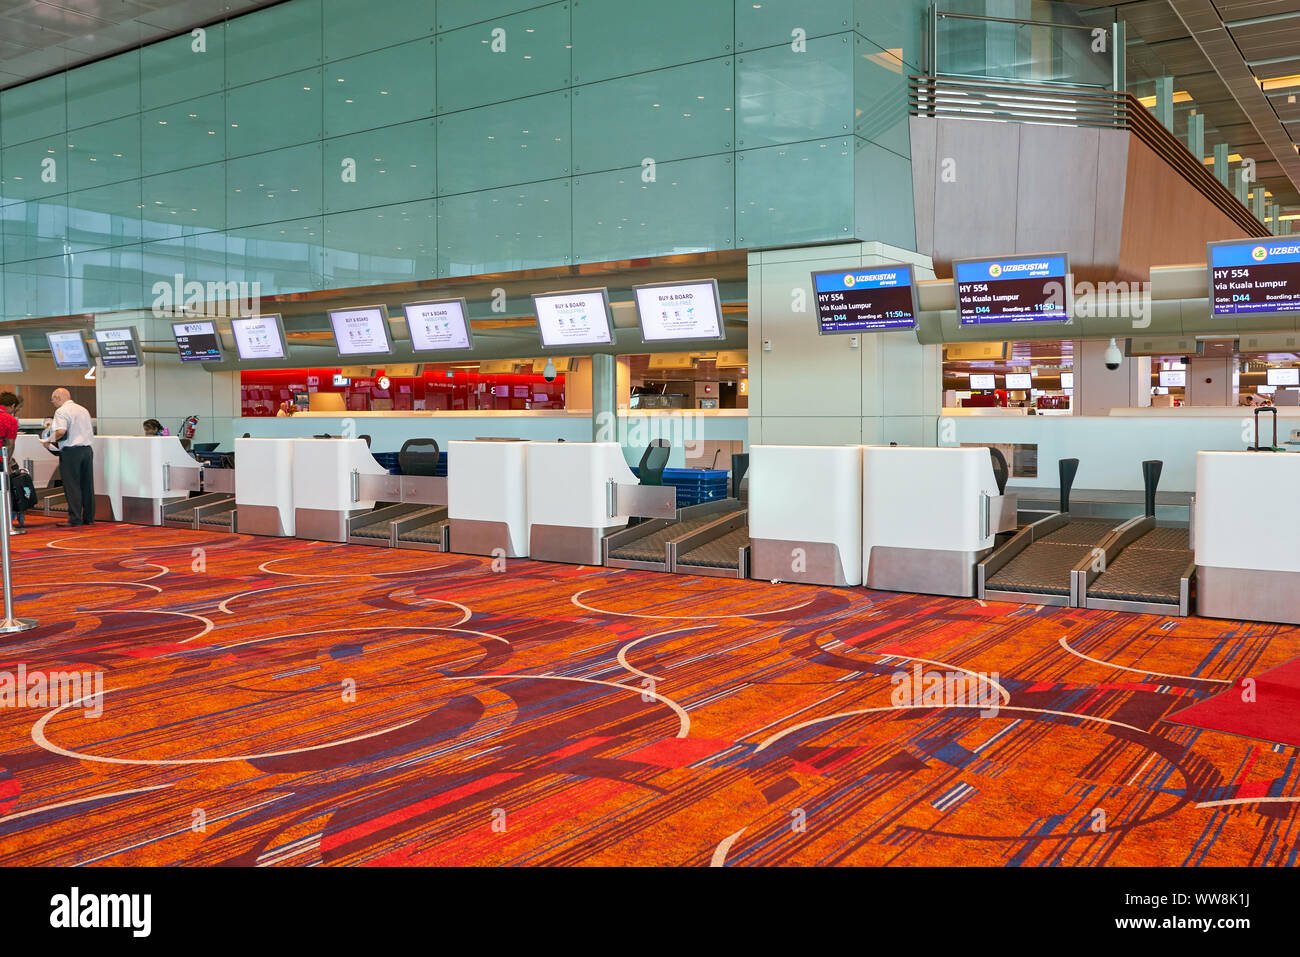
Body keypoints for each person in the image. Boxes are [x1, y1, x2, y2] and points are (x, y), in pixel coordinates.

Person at [46, 388, 95, 528]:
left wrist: (48, 441)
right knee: (87, 485)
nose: (52, 402)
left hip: (71, 452)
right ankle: (89, 518)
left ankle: (75, 519)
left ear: (58, 397)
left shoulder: (61, 411)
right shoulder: (83, 409)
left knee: (72, 485)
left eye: (52, 399)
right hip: (87, 450)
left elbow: (61, 431)